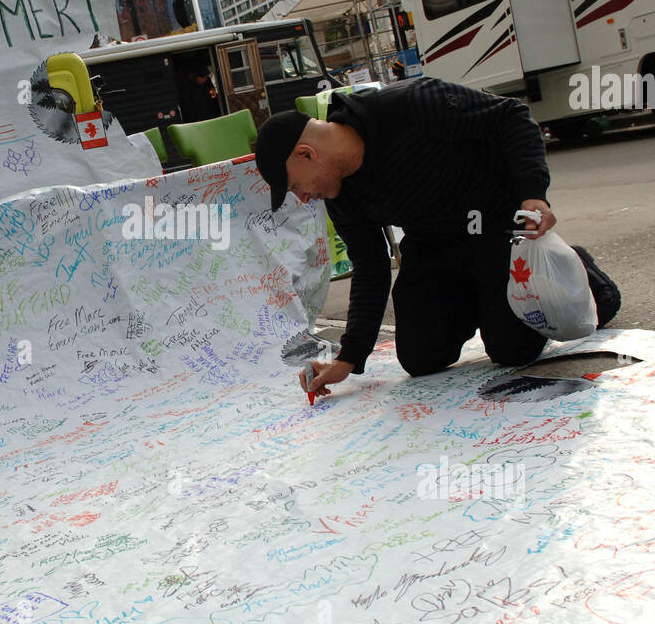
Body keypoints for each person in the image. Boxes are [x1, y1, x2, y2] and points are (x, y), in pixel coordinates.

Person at [255, 76, 599, 398]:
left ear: (306, 153)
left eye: (296, 186)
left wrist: (532, 193)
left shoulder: (413, 104)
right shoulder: (341, 195)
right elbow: (370, 268)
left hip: (491, 226)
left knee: (512, 349)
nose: (302, 198)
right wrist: (348, 358)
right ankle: (484, 301)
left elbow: (511, 116)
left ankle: (578, 272)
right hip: (432, 245)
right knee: (421, 357)